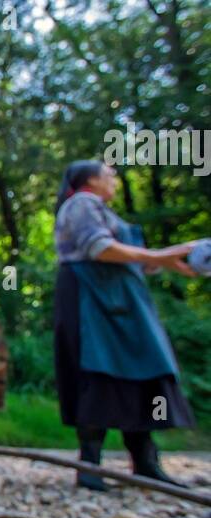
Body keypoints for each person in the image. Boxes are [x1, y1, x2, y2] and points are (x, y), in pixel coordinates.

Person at [53, 160, 197, 491]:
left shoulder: (104, 210)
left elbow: (128, 255)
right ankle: (90, 461)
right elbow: (99, 248)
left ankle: (145, 458)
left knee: (139, 371)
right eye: (109, 174)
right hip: (94, 300)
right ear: (90, 179)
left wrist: (167, 261)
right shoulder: (82, 204)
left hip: (122, 302)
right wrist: (159, 255)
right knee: (96, 370)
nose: (114, 179)